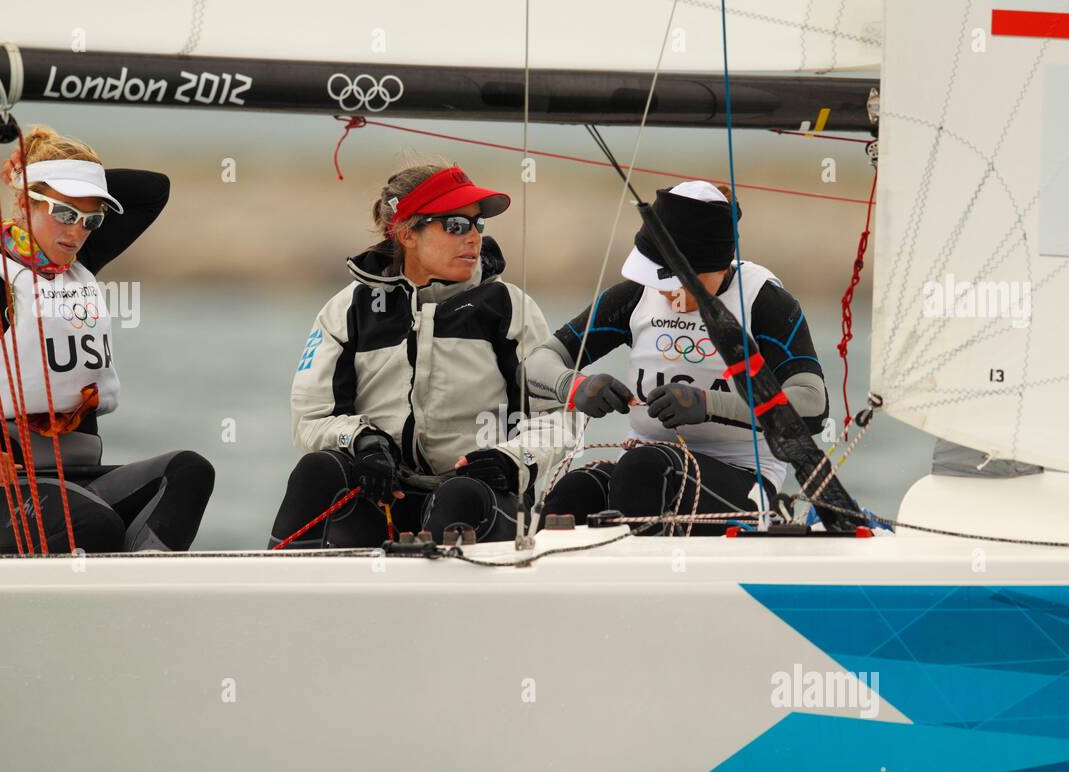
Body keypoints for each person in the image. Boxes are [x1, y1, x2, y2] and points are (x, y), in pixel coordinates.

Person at [0, 124, 214, 554]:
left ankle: (139, 592)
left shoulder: (79, 259)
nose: (75, 232)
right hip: (4, 496)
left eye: (90, 219)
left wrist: (62, 170)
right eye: (63, 212)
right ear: (25, 202)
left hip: (81, 484)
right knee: (94, 526)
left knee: (189, 471)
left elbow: (154, 189)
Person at [518, 180, 829, 533]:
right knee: (574, 492)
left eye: (677, 281)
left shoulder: (765, 303)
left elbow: (813, 407)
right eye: (658, 280)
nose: (667, 293)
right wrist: (576, 387)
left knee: (647, 469)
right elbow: (534, 366)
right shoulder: (635, 297)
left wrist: (708, 403)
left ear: (717, 264)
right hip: (645, 472)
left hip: (743, 480)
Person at [269, 162, 550, 547]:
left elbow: (558, 418)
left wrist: (511, 460)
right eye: (455, 225)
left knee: (459, 495)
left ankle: (433, 599)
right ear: (406, 233)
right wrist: (363, 441)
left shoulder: (510, 307)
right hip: (384, 493)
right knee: (319, 470)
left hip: (482, 496)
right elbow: (310, 420)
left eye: (477, 225)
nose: (473, 238)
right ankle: (278, 590)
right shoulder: (347, 310)